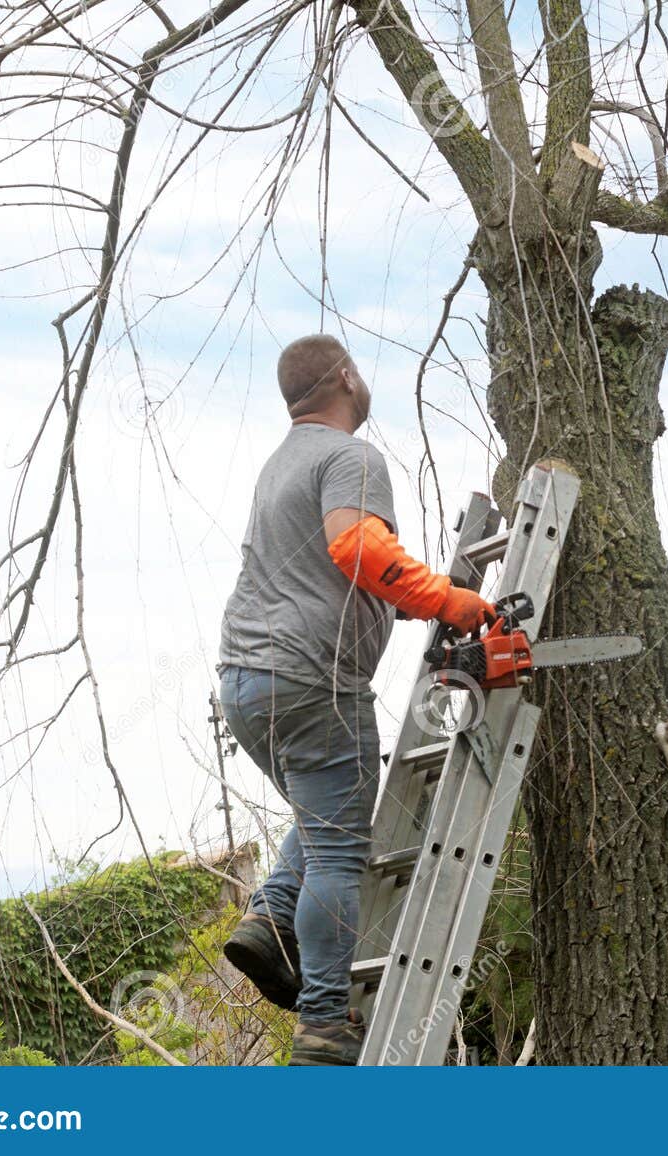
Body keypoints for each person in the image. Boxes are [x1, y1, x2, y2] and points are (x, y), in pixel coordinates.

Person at [215, 334, 494, 1065]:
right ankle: (322, 1028)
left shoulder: (281, 465)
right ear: (344, 377)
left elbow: (333, 570)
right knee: (340, 851)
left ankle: (271, 915)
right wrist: (448, 601)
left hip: (245, 682)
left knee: (323, 815)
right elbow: (357, 549)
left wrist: (417, 597)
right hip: (312, 680)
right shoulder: (350, 457)